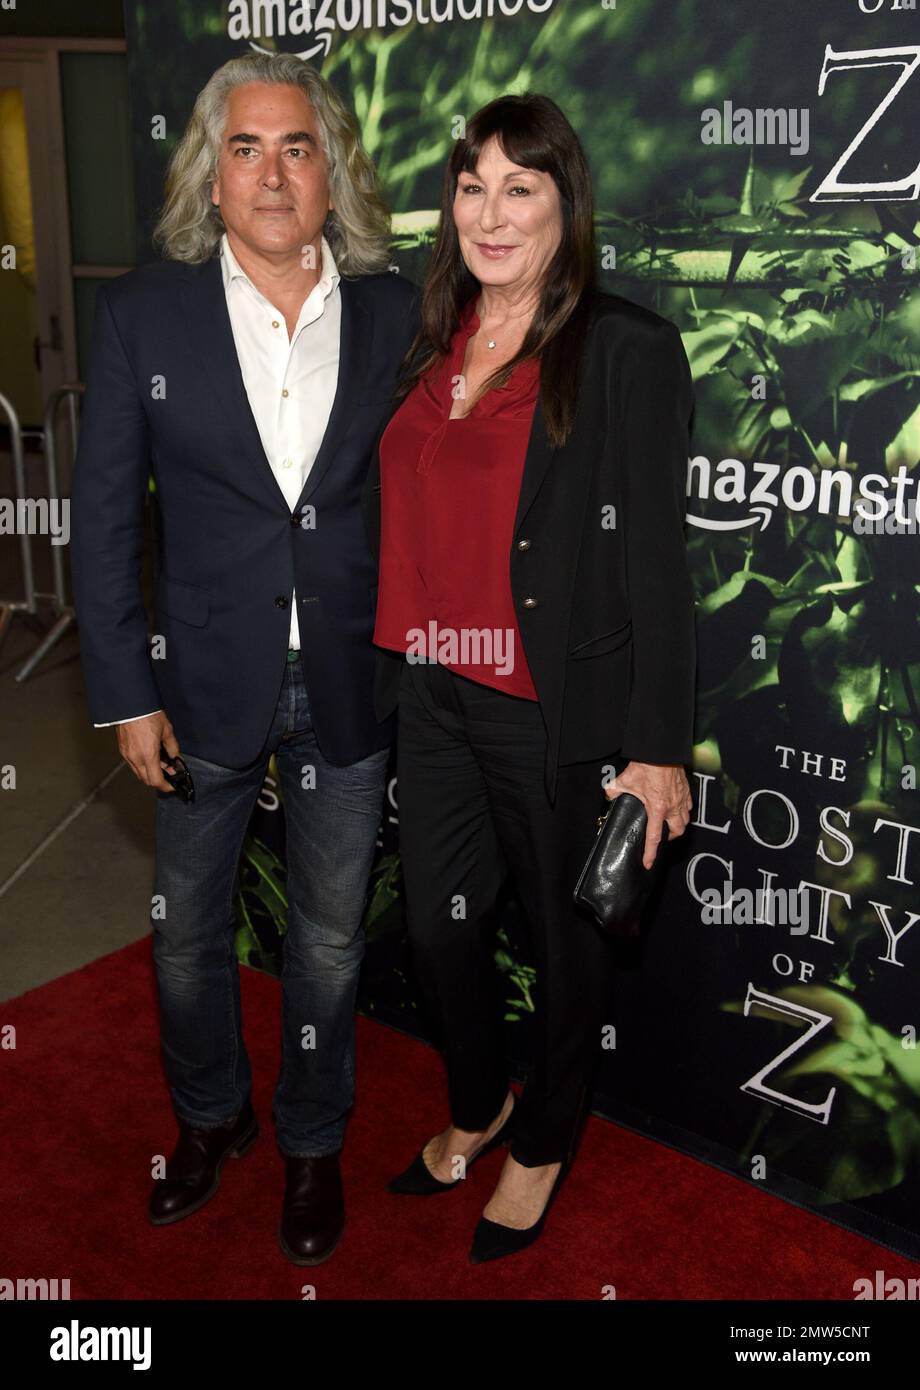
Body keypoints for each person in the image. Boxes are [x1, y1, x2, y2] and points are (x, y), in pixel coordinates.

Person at [70, 53, 418, 1267]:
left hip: (346, 678)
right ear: (208, 175)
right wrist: (122, 693)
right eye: (246, 148)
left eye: (298, 148)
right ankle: (210, 1120)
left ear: (333, 174)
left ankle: (313, 1142)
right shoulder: (139, 315)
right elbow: (105, 521)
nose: (273, 173)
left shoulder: (397, 311)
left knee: (326, 938)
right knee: (184, 932)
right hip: (195, 680)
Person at [361, 93, 696, 1263]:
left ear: (565, 206)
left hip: (551, 709)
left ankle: (543, 1136)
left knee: (566, 949)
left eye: (520, 189)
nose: (489, 213)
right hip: (433, 693)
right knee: (440, 936)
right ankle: (478, 1098)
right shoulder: (432, 332)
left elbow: (658, 563)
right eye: (470, 186)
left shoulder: (623, 351)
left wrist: (656, 748)